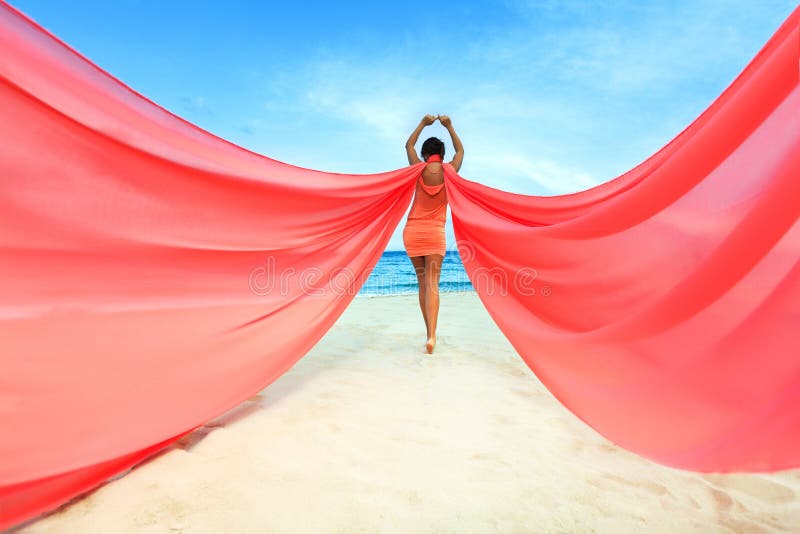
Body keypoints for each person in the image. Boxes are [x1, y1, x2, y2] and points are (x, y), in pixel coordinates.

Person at [403, 114, 464, 354]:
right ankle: (432, 335)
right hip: (435, 232)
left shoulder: (418, 170)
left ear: (426, 154)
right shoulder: (449, 171)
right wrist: (450, 126)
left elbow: (408, 145)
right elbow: (461, 151)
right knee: (433, 285)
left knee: (422, 283)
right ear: (441, 153)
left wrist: (422, 123)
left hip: (413, 231)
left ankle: (428, 332)